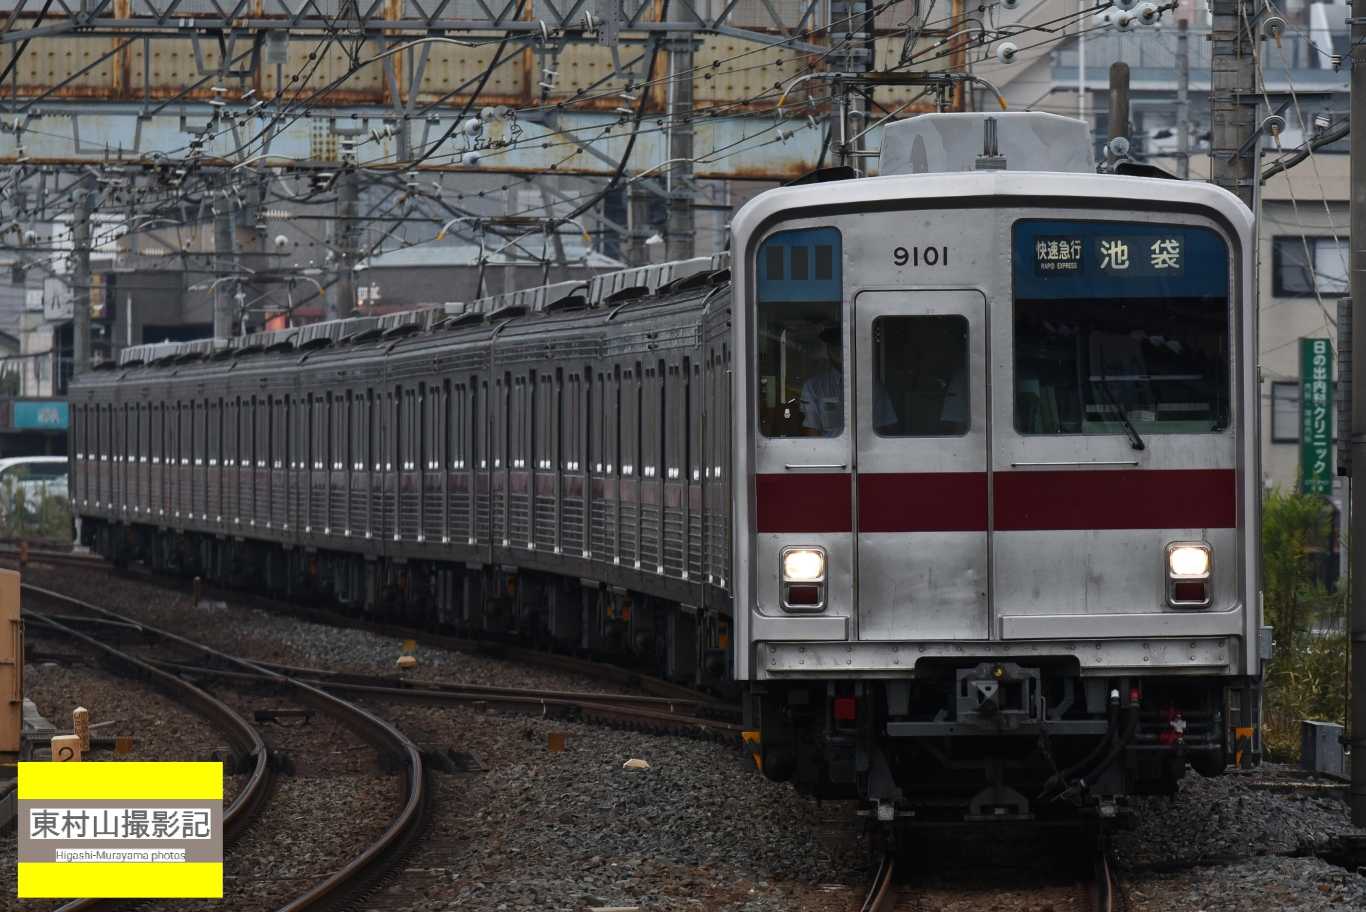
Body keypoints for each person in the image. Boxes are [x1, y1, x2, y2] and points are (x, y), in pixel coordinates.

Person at [801, 325, 897, 436]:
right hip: (828, 452)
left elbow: (886, 428)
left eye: (843, 347)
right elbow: (811, 431)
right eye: (835, 347)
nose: (840, 352)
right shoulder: (813, 387)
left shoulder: (873, 387)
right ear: (828, 350)